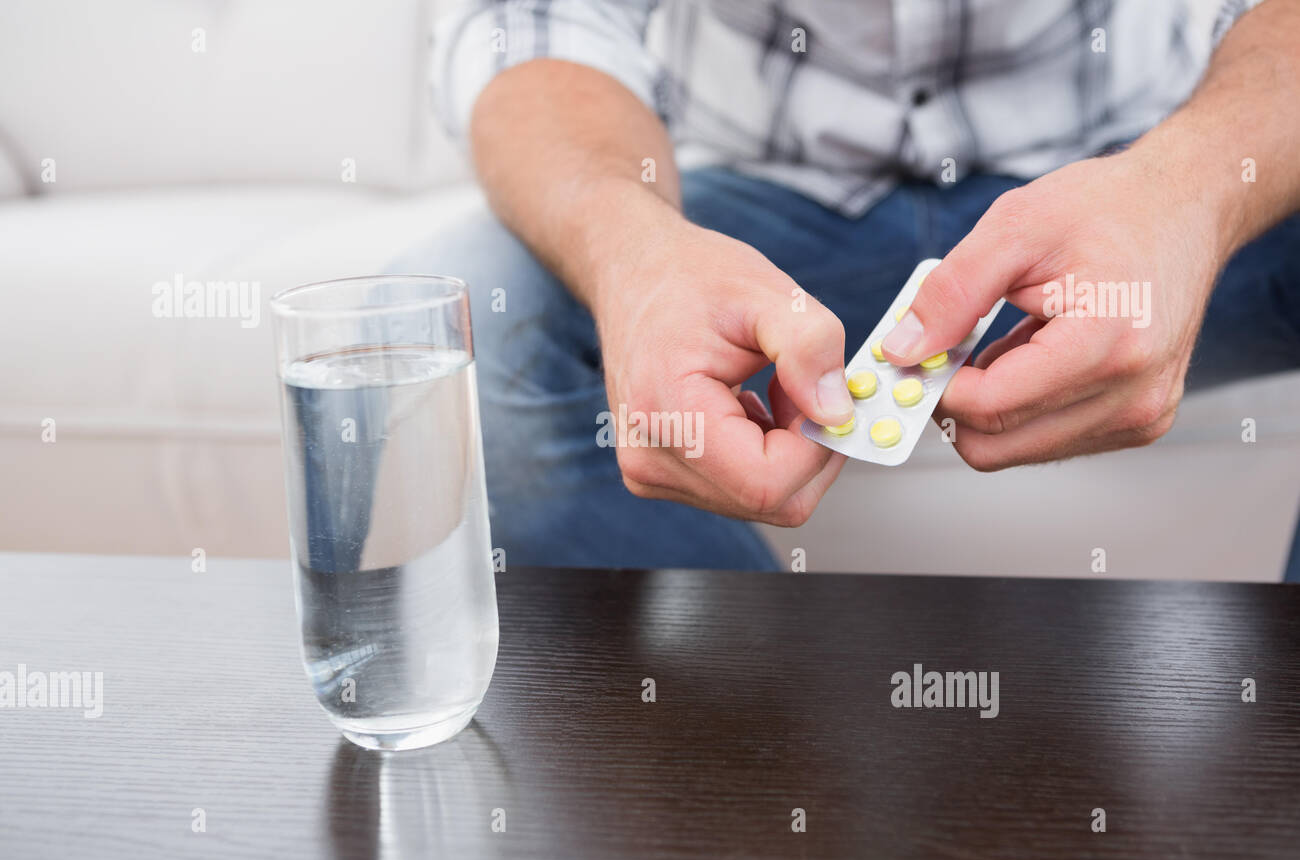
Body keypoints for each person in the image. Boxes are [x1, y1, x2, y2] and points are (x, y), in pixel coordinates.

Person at [391, 0, 1300, 579]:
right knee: (476, 324)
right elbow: (531, 20)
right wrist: (631, 249)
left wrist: (1193, 190)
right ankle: (766, 767)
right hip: (774, 197)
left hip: (1138, 176)